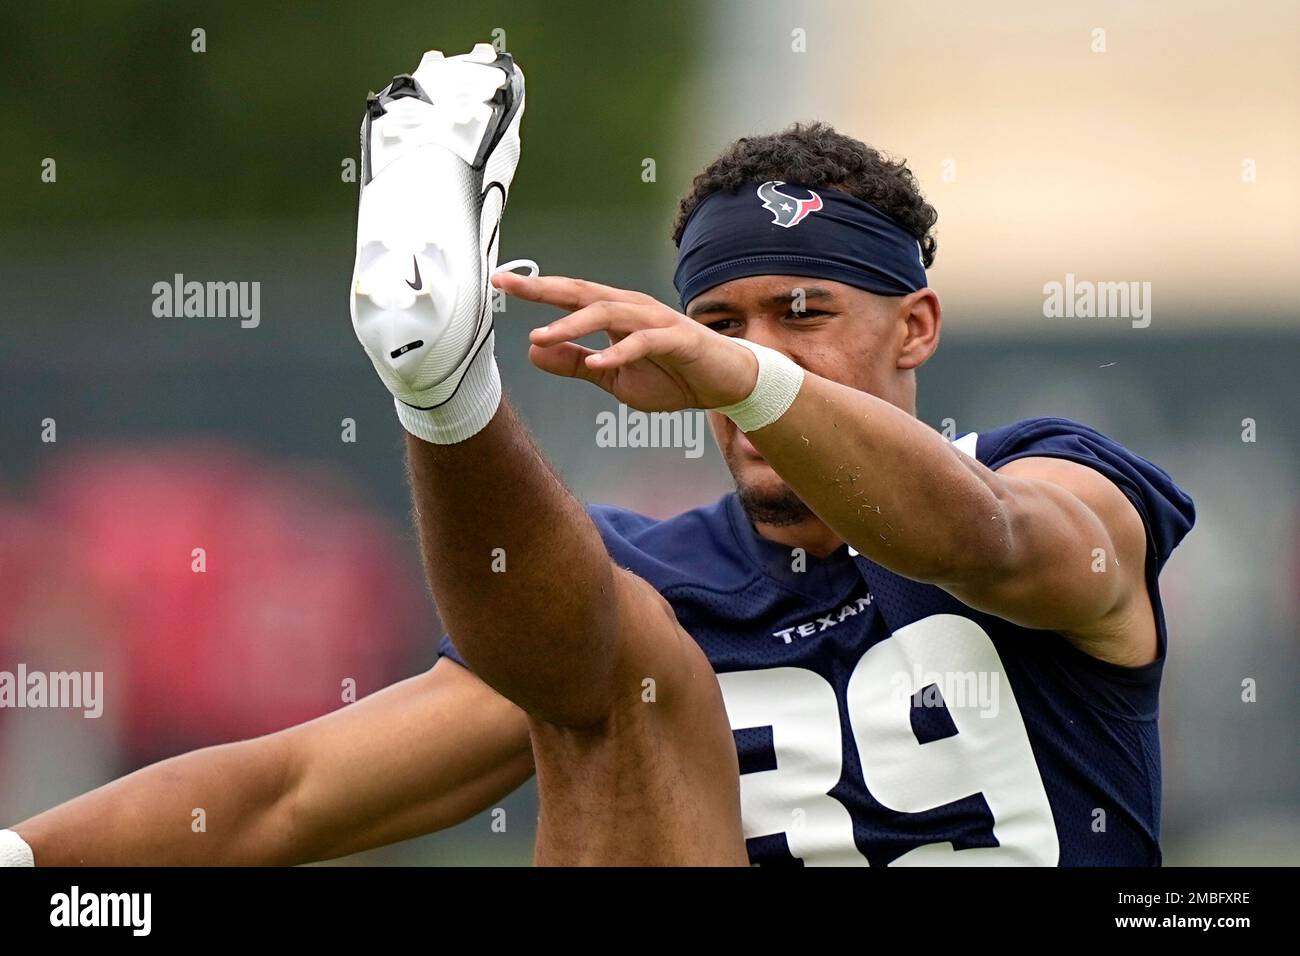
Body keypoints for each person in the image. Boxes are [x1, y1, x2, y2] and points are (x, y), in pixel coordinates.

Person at [2, 42, 1194, 868]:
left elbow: (977, 536)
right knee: (623, 645)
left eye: (804, 312)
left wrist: (730, 370)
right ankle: (440, 383)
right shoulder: (632, 589)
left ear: (915, 326)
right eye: (719, 322)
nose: (755, 349)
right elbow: (283, 795)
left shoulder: (1050, 474)